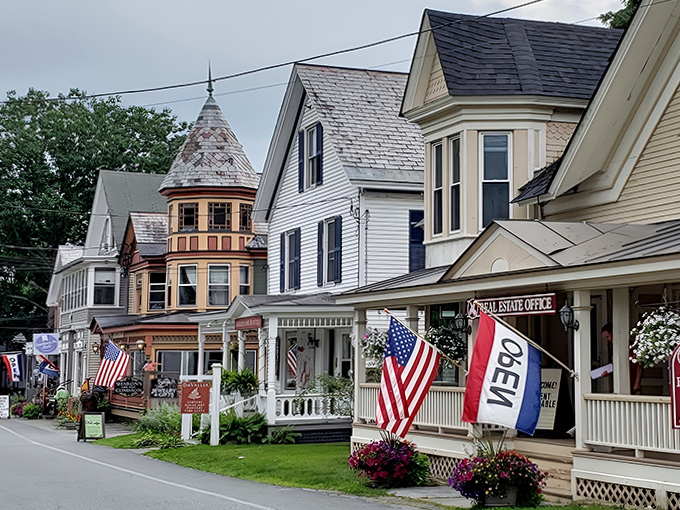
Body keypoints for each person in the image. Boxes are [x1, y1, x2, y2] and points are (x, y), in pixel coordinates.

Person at [601, 323, 642, 394]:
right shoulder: (615, 349)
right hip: (621, 383)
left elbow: (639, 365)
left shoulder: (630, 347)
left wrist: (637, 383)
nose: (608, 340)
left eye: (608, 336)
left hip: (633, 381)